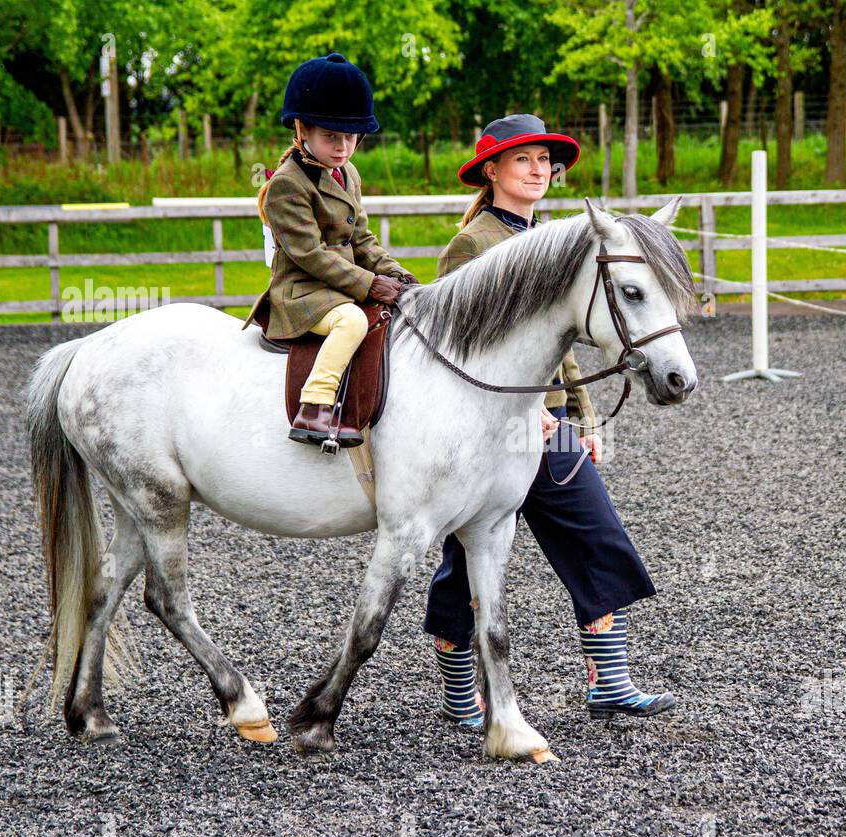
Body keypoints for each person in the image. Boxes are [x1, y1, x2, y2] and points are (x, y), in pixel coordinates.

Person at [423, 114, 676, 729]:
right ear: (492, 170)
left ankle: (609, 682)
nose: (539, 171)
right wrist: (528, 407)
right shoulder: (472, 245)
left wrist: (581, 414)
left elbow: (557, 343)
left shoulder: (552, 238)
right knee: (467, 558)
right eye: (523, 161)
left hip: (547, 420)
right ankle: (462, 692)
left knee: (595, 531)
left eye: (546, 162)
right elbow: (461, 344)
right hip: (488, 427)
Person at [247, 52, 415, 449]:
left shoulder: (347, 173)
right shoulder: (287, 185)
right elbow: (311, 255)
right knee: (353, 323)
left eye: (351, 138)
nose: (343, 147)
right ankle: (315, 404)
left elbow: (361, 240)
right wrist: (370, 284)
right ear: (302, 129)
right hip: (303, 291)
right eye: (331, 137)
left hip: (340, 285)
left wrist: (398, 275)